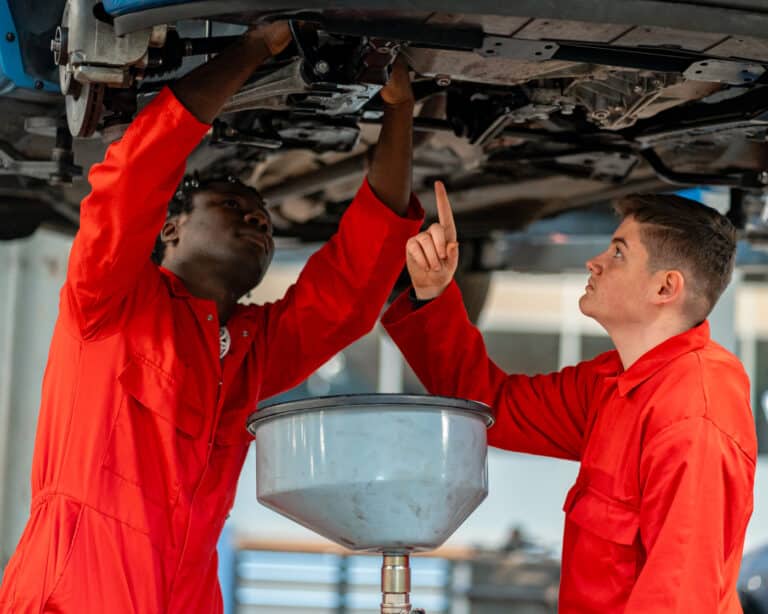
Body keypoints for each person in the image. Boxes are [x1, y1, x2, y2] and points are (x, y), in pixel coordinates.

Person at [0, 22, 423, 613]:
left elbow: (350, 292)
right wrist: (252, 47)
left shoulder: (249, 351)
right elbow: (134, 176)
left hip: (188, 591)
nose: (258, 221)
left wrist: (400, 113)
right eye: (232, 205)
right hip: (74, 589)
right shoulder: (109, 302)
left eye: (263, 220)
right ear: (171, 229)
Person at [381, 183, 757, 612]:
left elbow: (677, 601)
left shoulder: (693, 421)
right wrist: (433, 292)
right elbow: (490, 403)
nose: (594, 262)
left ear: (665, 288)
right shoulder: (615, 383)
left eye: (618, 253)